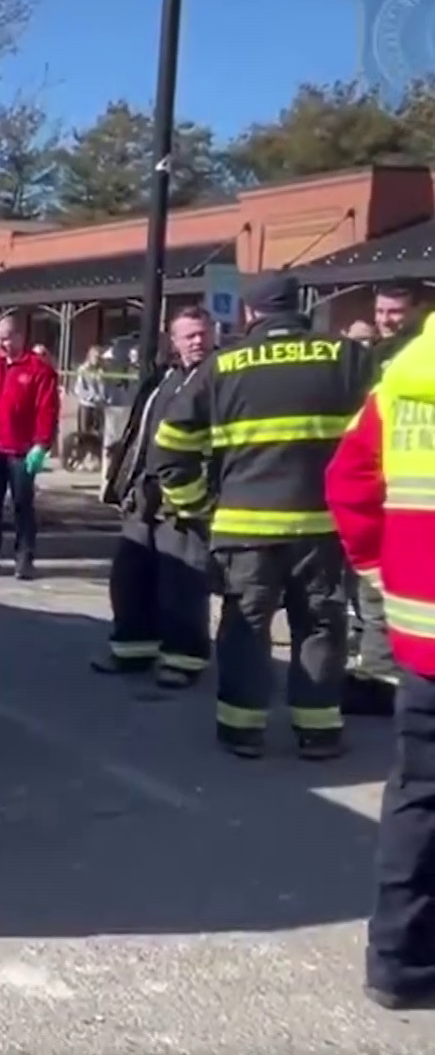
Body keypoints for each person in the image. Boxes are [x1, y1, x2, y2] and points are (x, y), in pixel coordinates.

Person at [153, 273, 369, 760]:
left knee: (247, 625)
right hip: (322, 528)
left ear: (250, 313)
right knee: (319, 624)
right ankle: (318, 731)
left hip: (244, 529)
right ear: (301, 307)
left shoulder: (222, 366)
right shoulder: (347, 357)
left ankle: (242, 730)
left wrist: (196, 508)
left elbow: (170, 449)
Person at [324, 321, 435, 1011]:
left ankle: (397, 962)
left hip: (423, 630)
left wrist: (381, 572)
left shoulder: (405, 375)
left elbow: (348, 480)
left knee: (420, 795)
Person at [92, 307, 214, 689]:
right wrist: (121, 483)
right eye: (188, 335)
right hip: (143, 493)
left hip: (184, 497)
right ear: (173, 341)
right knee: (130, 574)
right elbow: (138, 434)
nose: (197, 341)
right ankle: (133, 649)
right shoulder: (164, 379)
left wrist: (200, 497)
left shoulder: (221, 378)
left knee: (182, 580)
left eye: (202, 333)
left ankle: (182, 659)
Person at [349, 284, 427, 707]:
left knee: (381, 591)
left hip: (395, 490)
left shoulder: (404, 356)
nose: (386, 318)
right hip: (390, 485)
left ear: (418, 308)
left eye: (395, 311)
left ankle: (381, 677)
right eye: (380, 310)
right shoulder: (379, 353)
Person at [0, 312, 59, 580]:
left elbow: (47, 409)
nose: (2, 344)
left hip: (22, 451)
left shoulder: (38, 369)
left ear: (20, 336)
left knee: (22, 505)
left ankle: (24, 558)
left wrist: (41, 444)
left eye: (7, 338)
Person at [71, 344, 107, 469]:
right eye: (95, 356)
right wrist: (91, 397)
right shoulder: (83, 370)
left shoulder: (101, 371)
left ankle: (94, 458)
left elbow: (104, 388)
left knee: (97, 434)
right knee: (84, 433)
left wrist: (102, 398)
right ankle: (81, 459)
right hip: (86, 405)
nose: (97, 359)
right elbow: (78, 389)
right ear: (90, 356)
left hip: (98, 406)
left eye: (99, 357)